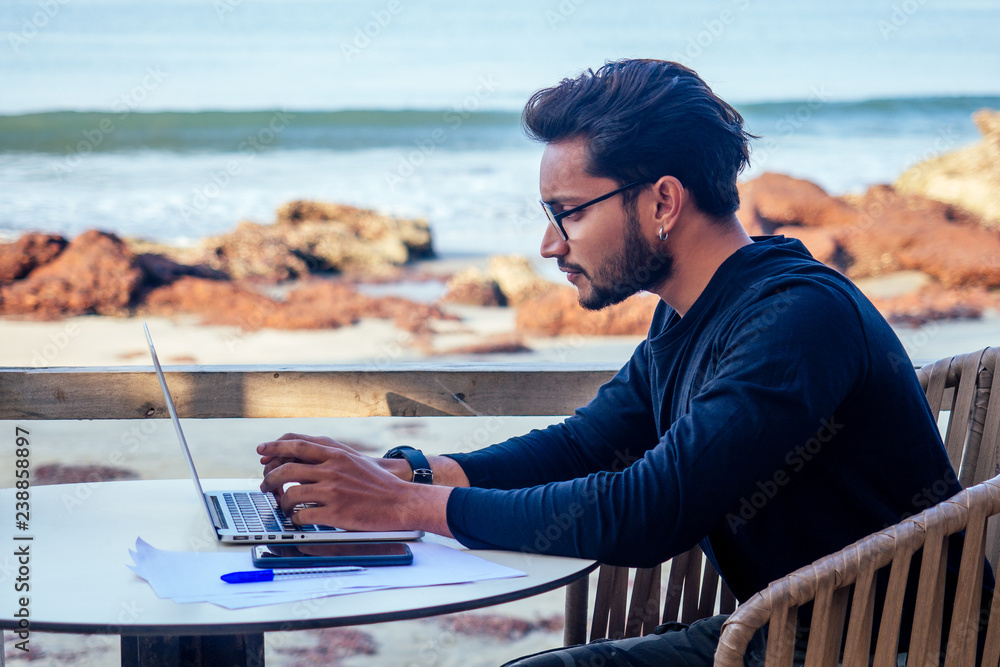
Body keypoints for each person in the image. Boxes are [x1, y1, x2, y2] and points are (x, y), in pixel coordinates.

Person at [258, 59, 963, 665]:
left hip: (903, 644)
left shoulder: (796, 318)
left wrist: (411, 508)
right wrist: (414, 473)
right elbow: (588, 444)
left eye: (568, 211)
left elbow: (655, 509)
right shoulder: (688, 315)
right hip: (794, 633)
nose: (549, 243)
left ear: (662, 200)